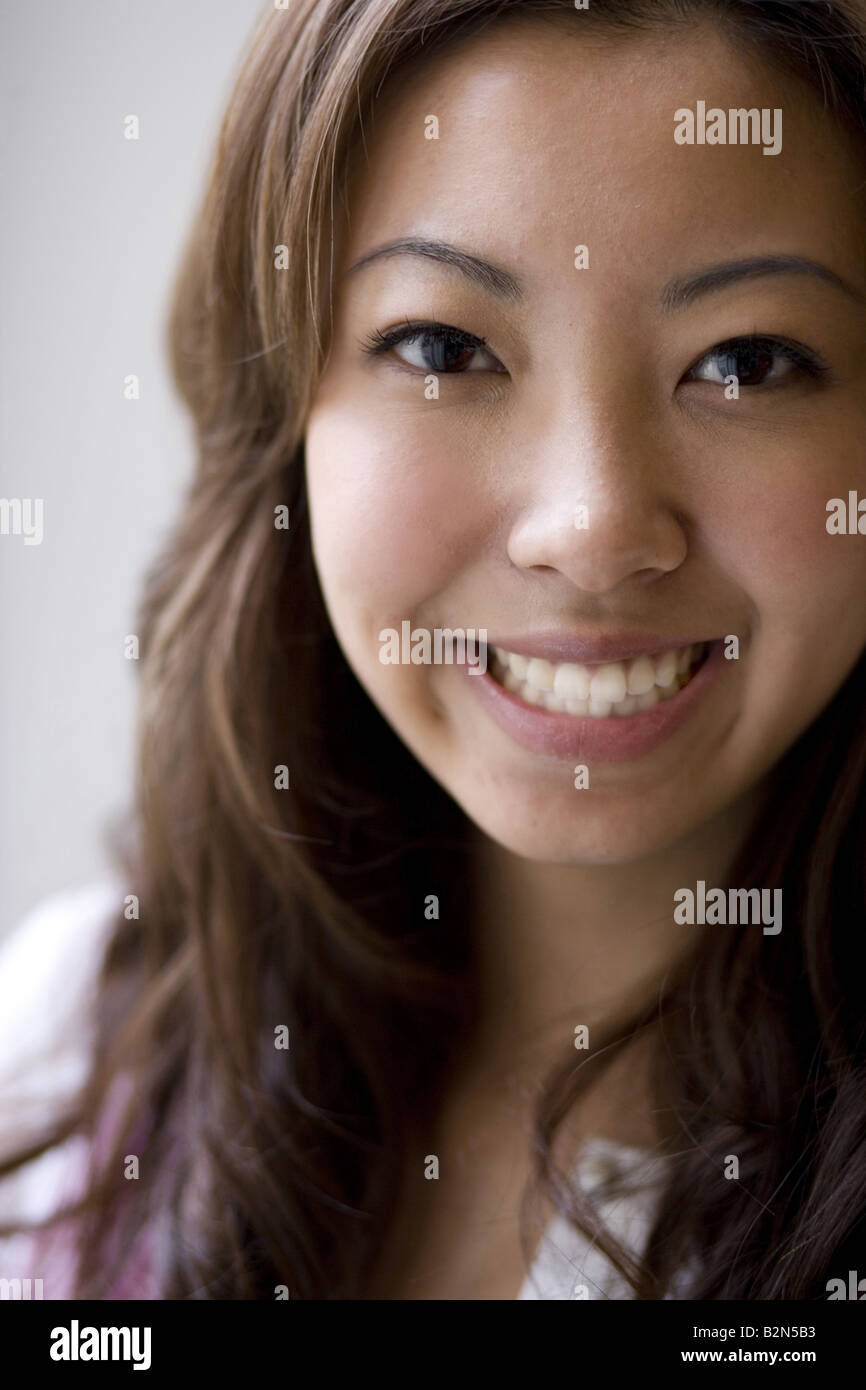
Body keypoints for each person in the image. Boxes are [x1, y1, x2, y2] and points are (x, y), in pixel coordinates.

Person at [2, 0, 866, 1300]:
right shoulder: (66, 1044)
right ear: (282, 420)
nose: (590, 526)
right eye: (442, 347)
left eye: (744, 361)